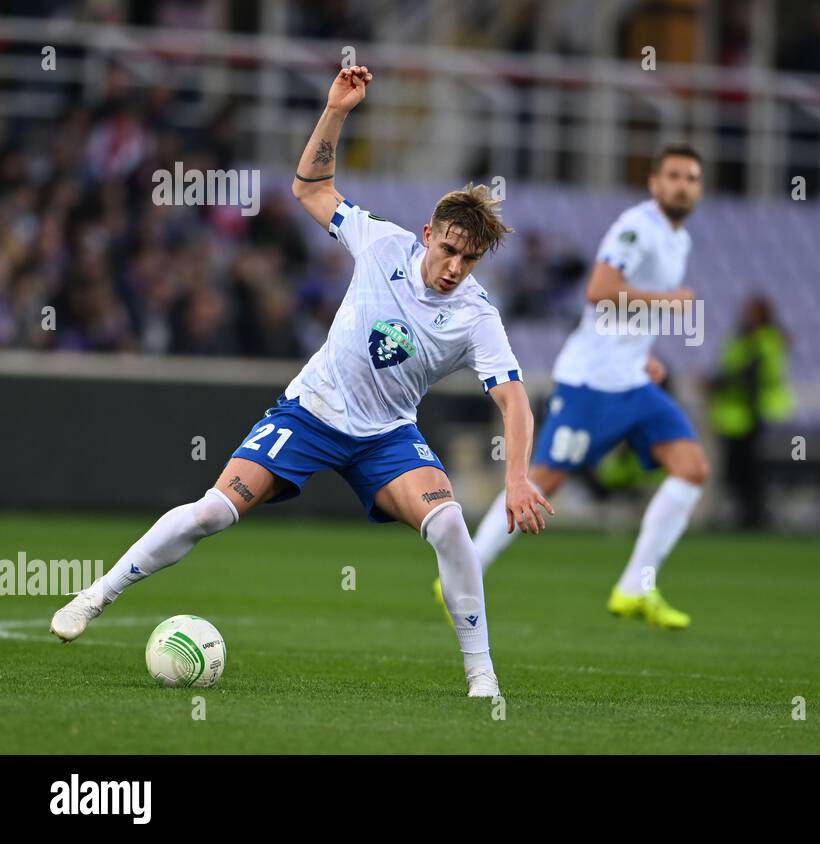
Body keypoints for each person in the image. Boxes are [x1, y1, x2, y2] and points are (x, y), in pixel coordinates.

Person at [49, 66, 553, 698]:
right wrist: (336, 109)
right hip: (310, 413)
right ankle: (96, 596)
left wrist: (515, 477)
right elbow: (310, 186)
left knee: (451, 525)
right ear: (429, 235)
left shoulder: (477, 315)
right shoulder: (383, 245)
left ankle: (482, 675)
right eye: (448, 249)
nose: (454, 267)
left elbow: (512, 399)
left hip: (386, 439)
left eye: (469, 258)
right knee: (213, 511)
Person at [462, 144, 709, 629]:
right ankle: (465, 567)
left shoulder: (678, 240)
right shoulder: (638, 227)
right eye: (674, 176)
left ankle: (635, 586)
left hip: (632, 380)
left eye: (692, 178)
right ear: (654, 183)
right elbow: (597, 289)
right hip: (592, 382)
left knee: (691, 467)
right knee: (541, 482)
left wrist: (646, 356)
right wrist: (666, 302)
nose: (683, 185)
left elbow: (622, 313)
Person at [708, 295, 794, 529]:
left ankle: (756, 515)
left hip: (758, 412)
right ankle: (745, 514)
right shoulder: (739, 340)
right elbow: (731, 369)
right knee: (737, 468)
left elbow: (749, 373)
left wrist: (718, 382)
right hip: (735, 416)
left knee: (752, 469)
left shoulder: (765, 341)